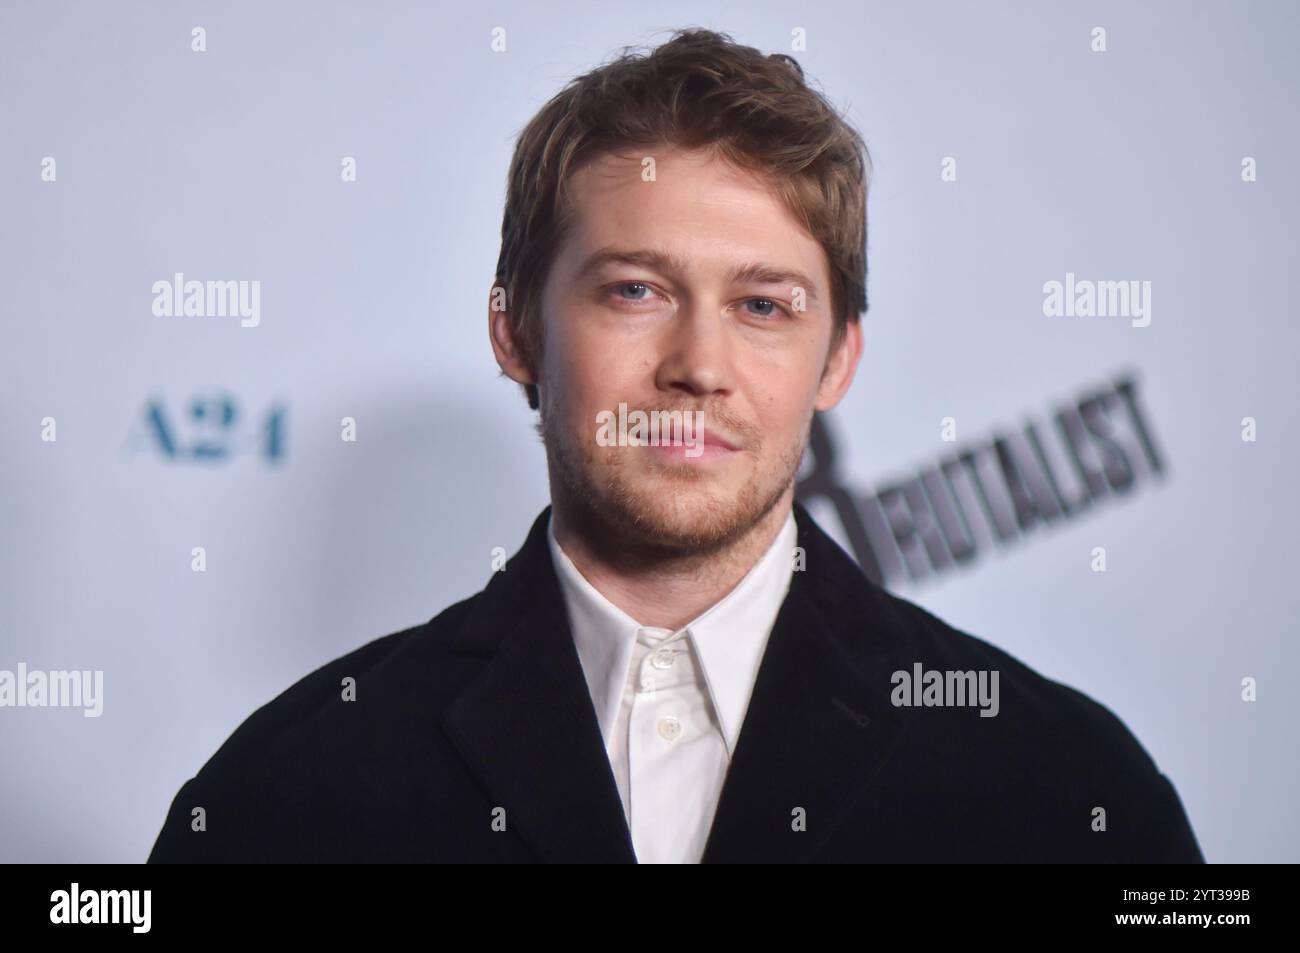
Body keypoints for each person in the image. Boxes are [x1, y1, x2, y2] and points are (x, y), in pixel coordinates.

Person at [148, 28, 1203, 863]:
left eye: (762, 304)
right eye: (635, 290)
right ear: (514, 330)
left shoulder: (1066, 790)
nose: (698, 362)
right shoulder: (291, 790)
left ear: (836, 361)